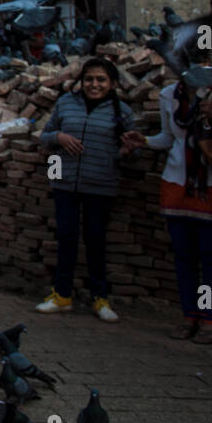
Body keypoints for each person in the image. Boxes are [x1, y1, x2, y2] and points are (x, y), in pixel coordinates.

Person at [126, 66, 212, 343]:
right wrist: (145, 141)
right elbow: (169, 138)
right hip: (177, 182)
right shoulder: (171, 94)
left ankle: (209, 318)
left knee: (211, 256)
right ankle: (189, 314)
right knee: (184, 256)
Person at [35, 58, 138, 322]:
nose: (94, 84)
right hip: (65, 182)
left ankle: (99, 298)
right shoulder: (66, 103)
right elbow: (44, 136)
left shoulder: (121, 112)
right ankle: (62, 295)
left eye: (101, 80)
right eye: (89, 79)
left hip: (100, 184)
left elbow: (131, 151)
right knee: (67, 238)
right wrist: (59, 137)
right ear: (81, 81)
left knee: (96, 241)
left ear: (112, 84)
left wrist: (126, 152)